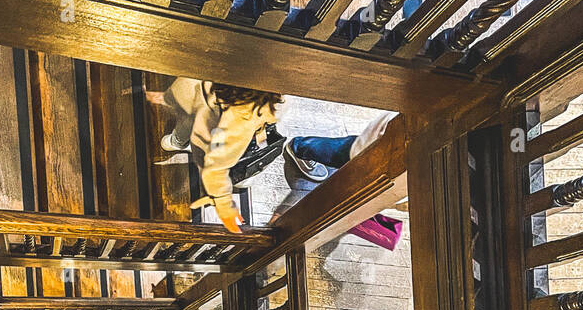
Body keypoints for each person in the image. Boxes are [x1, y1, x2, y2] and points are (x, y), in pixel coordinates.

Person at [149, 79, 284, 233]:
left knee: (188, 119)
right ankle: (177, 141)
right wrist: (223, 202)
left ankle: (177, 142)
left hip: (195, 89)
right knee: (205, 136)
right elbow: (215, 165)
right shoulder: (245, 114)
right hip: (215, 114)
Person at [284, 113, 404, 250]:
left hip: (379, 168)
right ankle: (297, 147)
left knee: (340, 156)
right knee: (333, 150)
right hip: (369, 150)